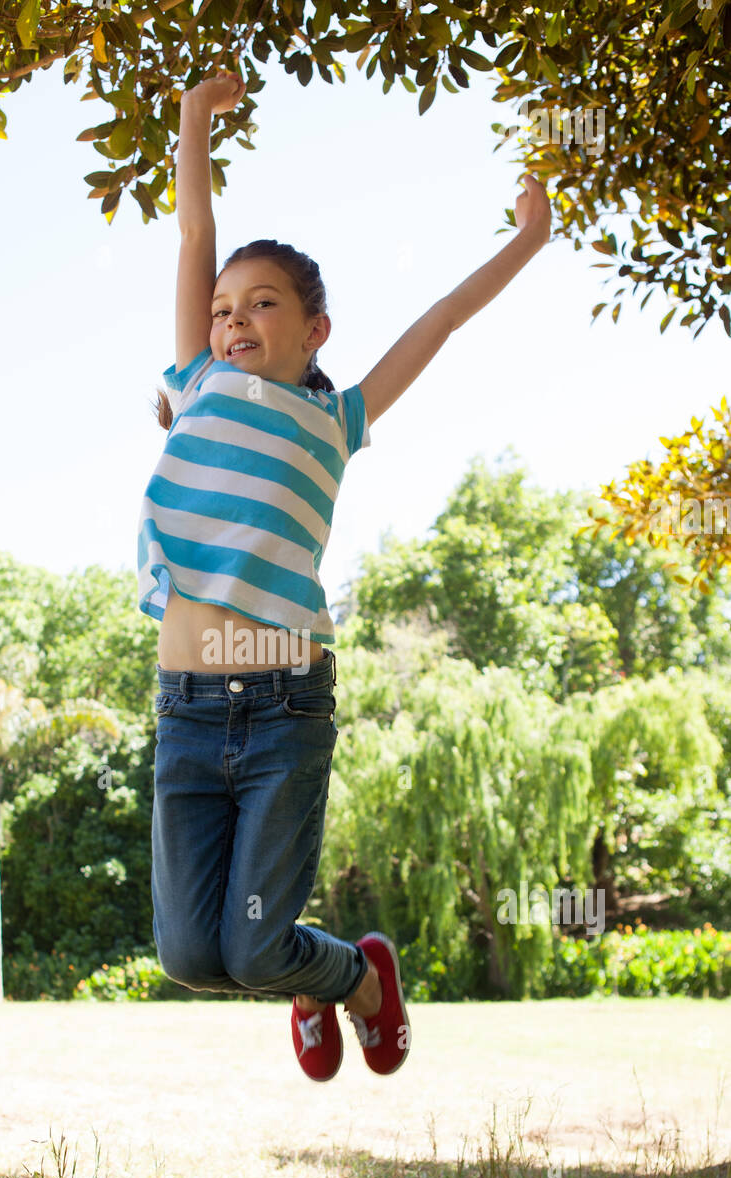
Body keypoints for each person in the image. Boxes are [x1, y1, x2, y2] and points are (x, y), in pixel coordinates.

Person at [137, 68, 552, 1082]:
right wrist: (193, 120)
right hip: (188, 709)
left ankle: (362, 981)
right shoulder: (191, 382)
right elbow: (193, 236)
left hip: (282, 707)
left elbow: (441, 319)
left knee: (249, 945)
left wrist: (528, 238)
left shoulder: (336, 419)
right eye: (223, 307)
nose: (233, 319)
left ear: (314, 330)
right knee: (192, 955)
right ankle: (333, 977)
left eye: (261, 304)